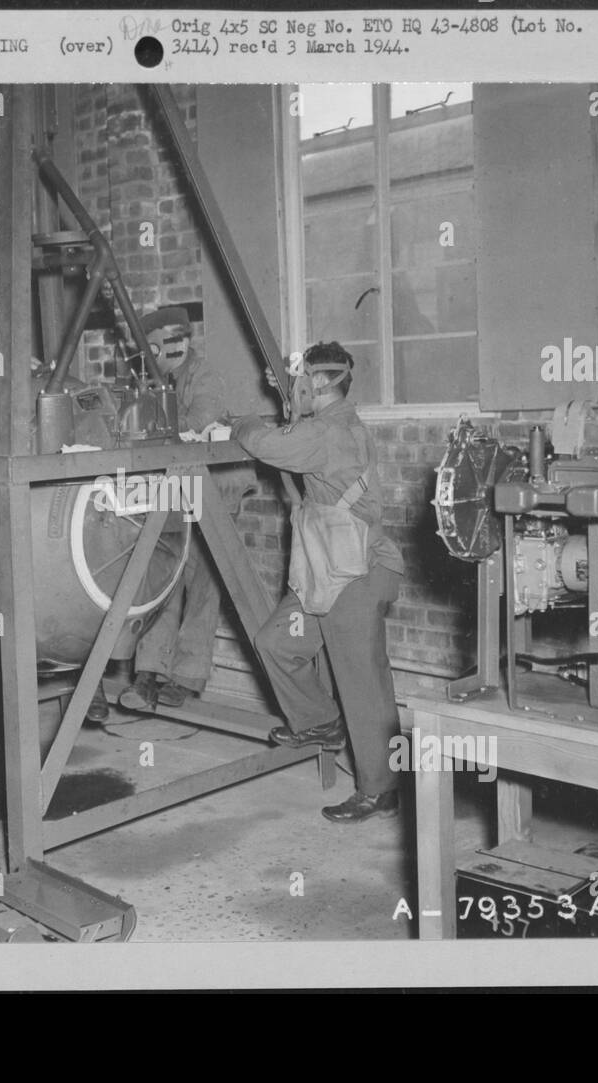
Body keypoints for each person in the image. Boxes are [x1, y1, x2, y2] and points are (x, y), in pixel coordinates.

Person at [231, 341, 406, 824]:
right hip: (325, 568)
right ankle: (321, 723)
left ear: (323, 383)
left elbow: (267, 445)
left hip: (357, 574)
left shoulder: (330, 433)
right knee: (275, 643)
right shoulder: (324, 425)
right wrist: (290, 399)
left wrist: (241, 423)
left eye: (300, 380)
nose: (292, 389)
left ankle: (381, 789)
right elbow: (293, 433)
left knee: (361, 682)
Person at [117, 307, 247, 715]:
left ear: (174, 343)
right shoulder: (161, 377)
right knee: (164, 578)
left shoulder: (204, 377)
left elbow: (193, 424)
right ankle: (149, 674)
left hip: (214, 492)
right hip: (177, 489)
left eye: (154, 347)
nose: (150, 354)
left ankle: (185, 677)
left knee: (202, 586)